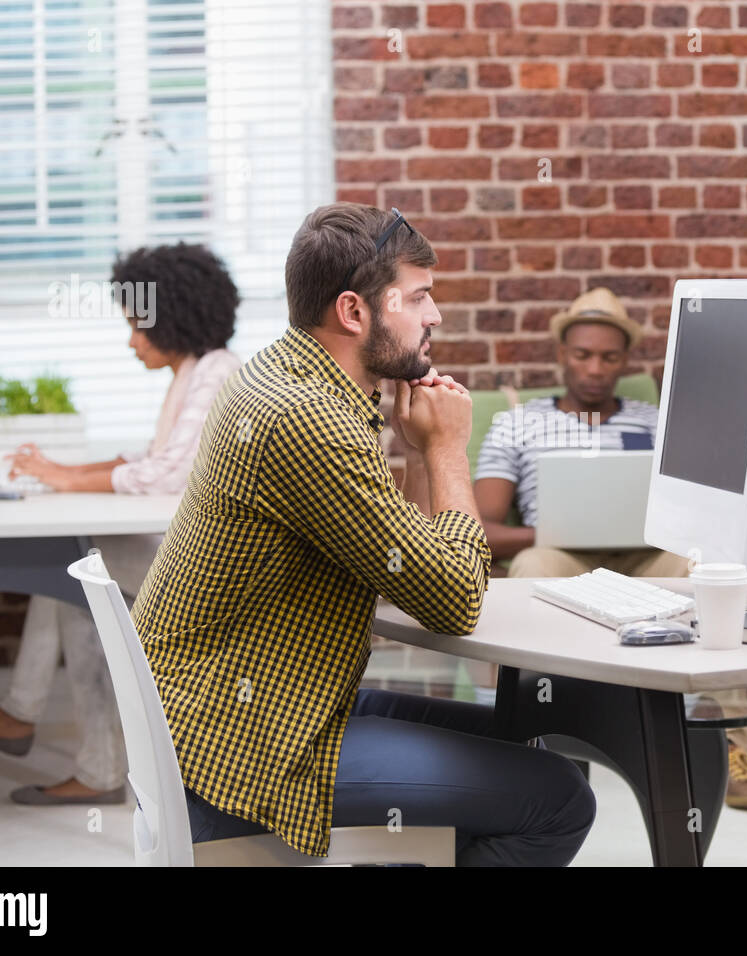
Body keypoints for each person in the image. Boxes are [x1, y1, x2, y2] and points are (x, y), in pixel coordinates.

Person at [132, 203, 595, 866]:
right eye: (420, 298)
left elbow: (405, 553)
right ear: (354, 312)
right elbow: (456, 597)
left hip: (239, 705)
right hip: (244, 745)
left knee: (529, 745)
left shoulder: (285, 378)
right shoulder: (307, 421)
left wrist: (414, 450)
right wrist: (448, 451)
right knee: (558, 798)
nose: (434, 316)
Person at [0, 243, 243, 805]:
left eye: (137, 328)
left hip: (206, 570)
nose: (131, 341)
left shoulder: (217, 374)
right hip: (183, 550)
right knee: (73, 571)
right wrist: (61, 471)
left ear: (171, 317)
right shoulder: (196, 372)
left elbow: (164, 474)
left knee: (71, 564)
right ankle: (64, 746)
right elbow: (150, 458)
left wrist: (64, 478)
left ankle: (32, 726)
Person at [473, 286, 747, 811]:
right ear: (562, 355)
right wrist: (552, 534)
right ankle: (536, 734)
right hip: (561, 558)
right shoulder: (517, 422)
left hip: (645, 554)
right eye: (583, 354)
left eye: (609, 357)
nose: (595, 368)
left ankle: (728, 739)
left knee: (709, 568)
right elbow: (480, 526)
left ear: (625, 361)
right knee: (531, 566)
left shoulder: (655, 422)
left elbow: (699, 507)